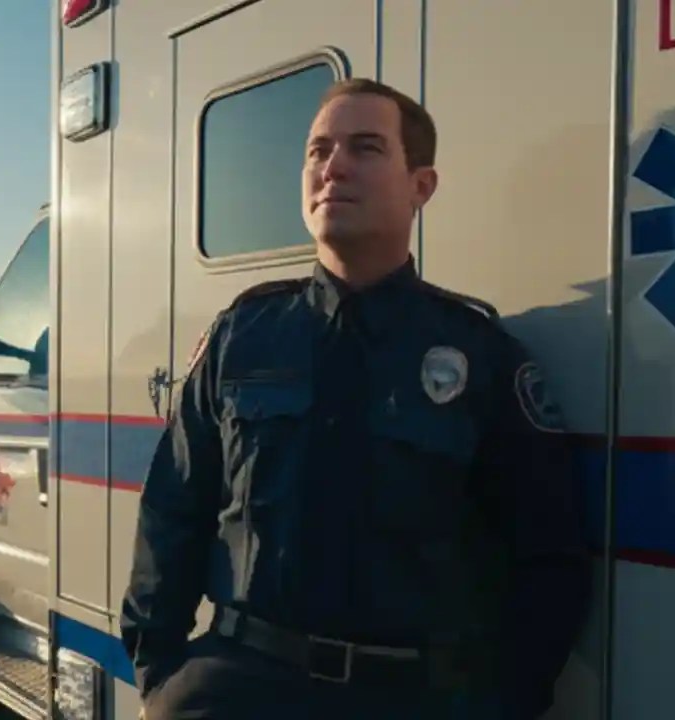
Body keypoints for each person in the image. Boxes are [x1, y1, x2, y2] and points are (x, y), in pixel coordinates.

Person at [119, 78, 593, 719]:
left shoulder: (479, 356)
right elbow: (173, 511)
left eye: (365, 148)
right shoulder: (244, 337)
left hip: (409, 698)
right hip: (236, 688)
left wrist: (505, 703)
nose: (332, 166)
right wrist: (159, 674)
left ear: (420, 185)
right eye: (318, 150)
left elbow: (549, 556)